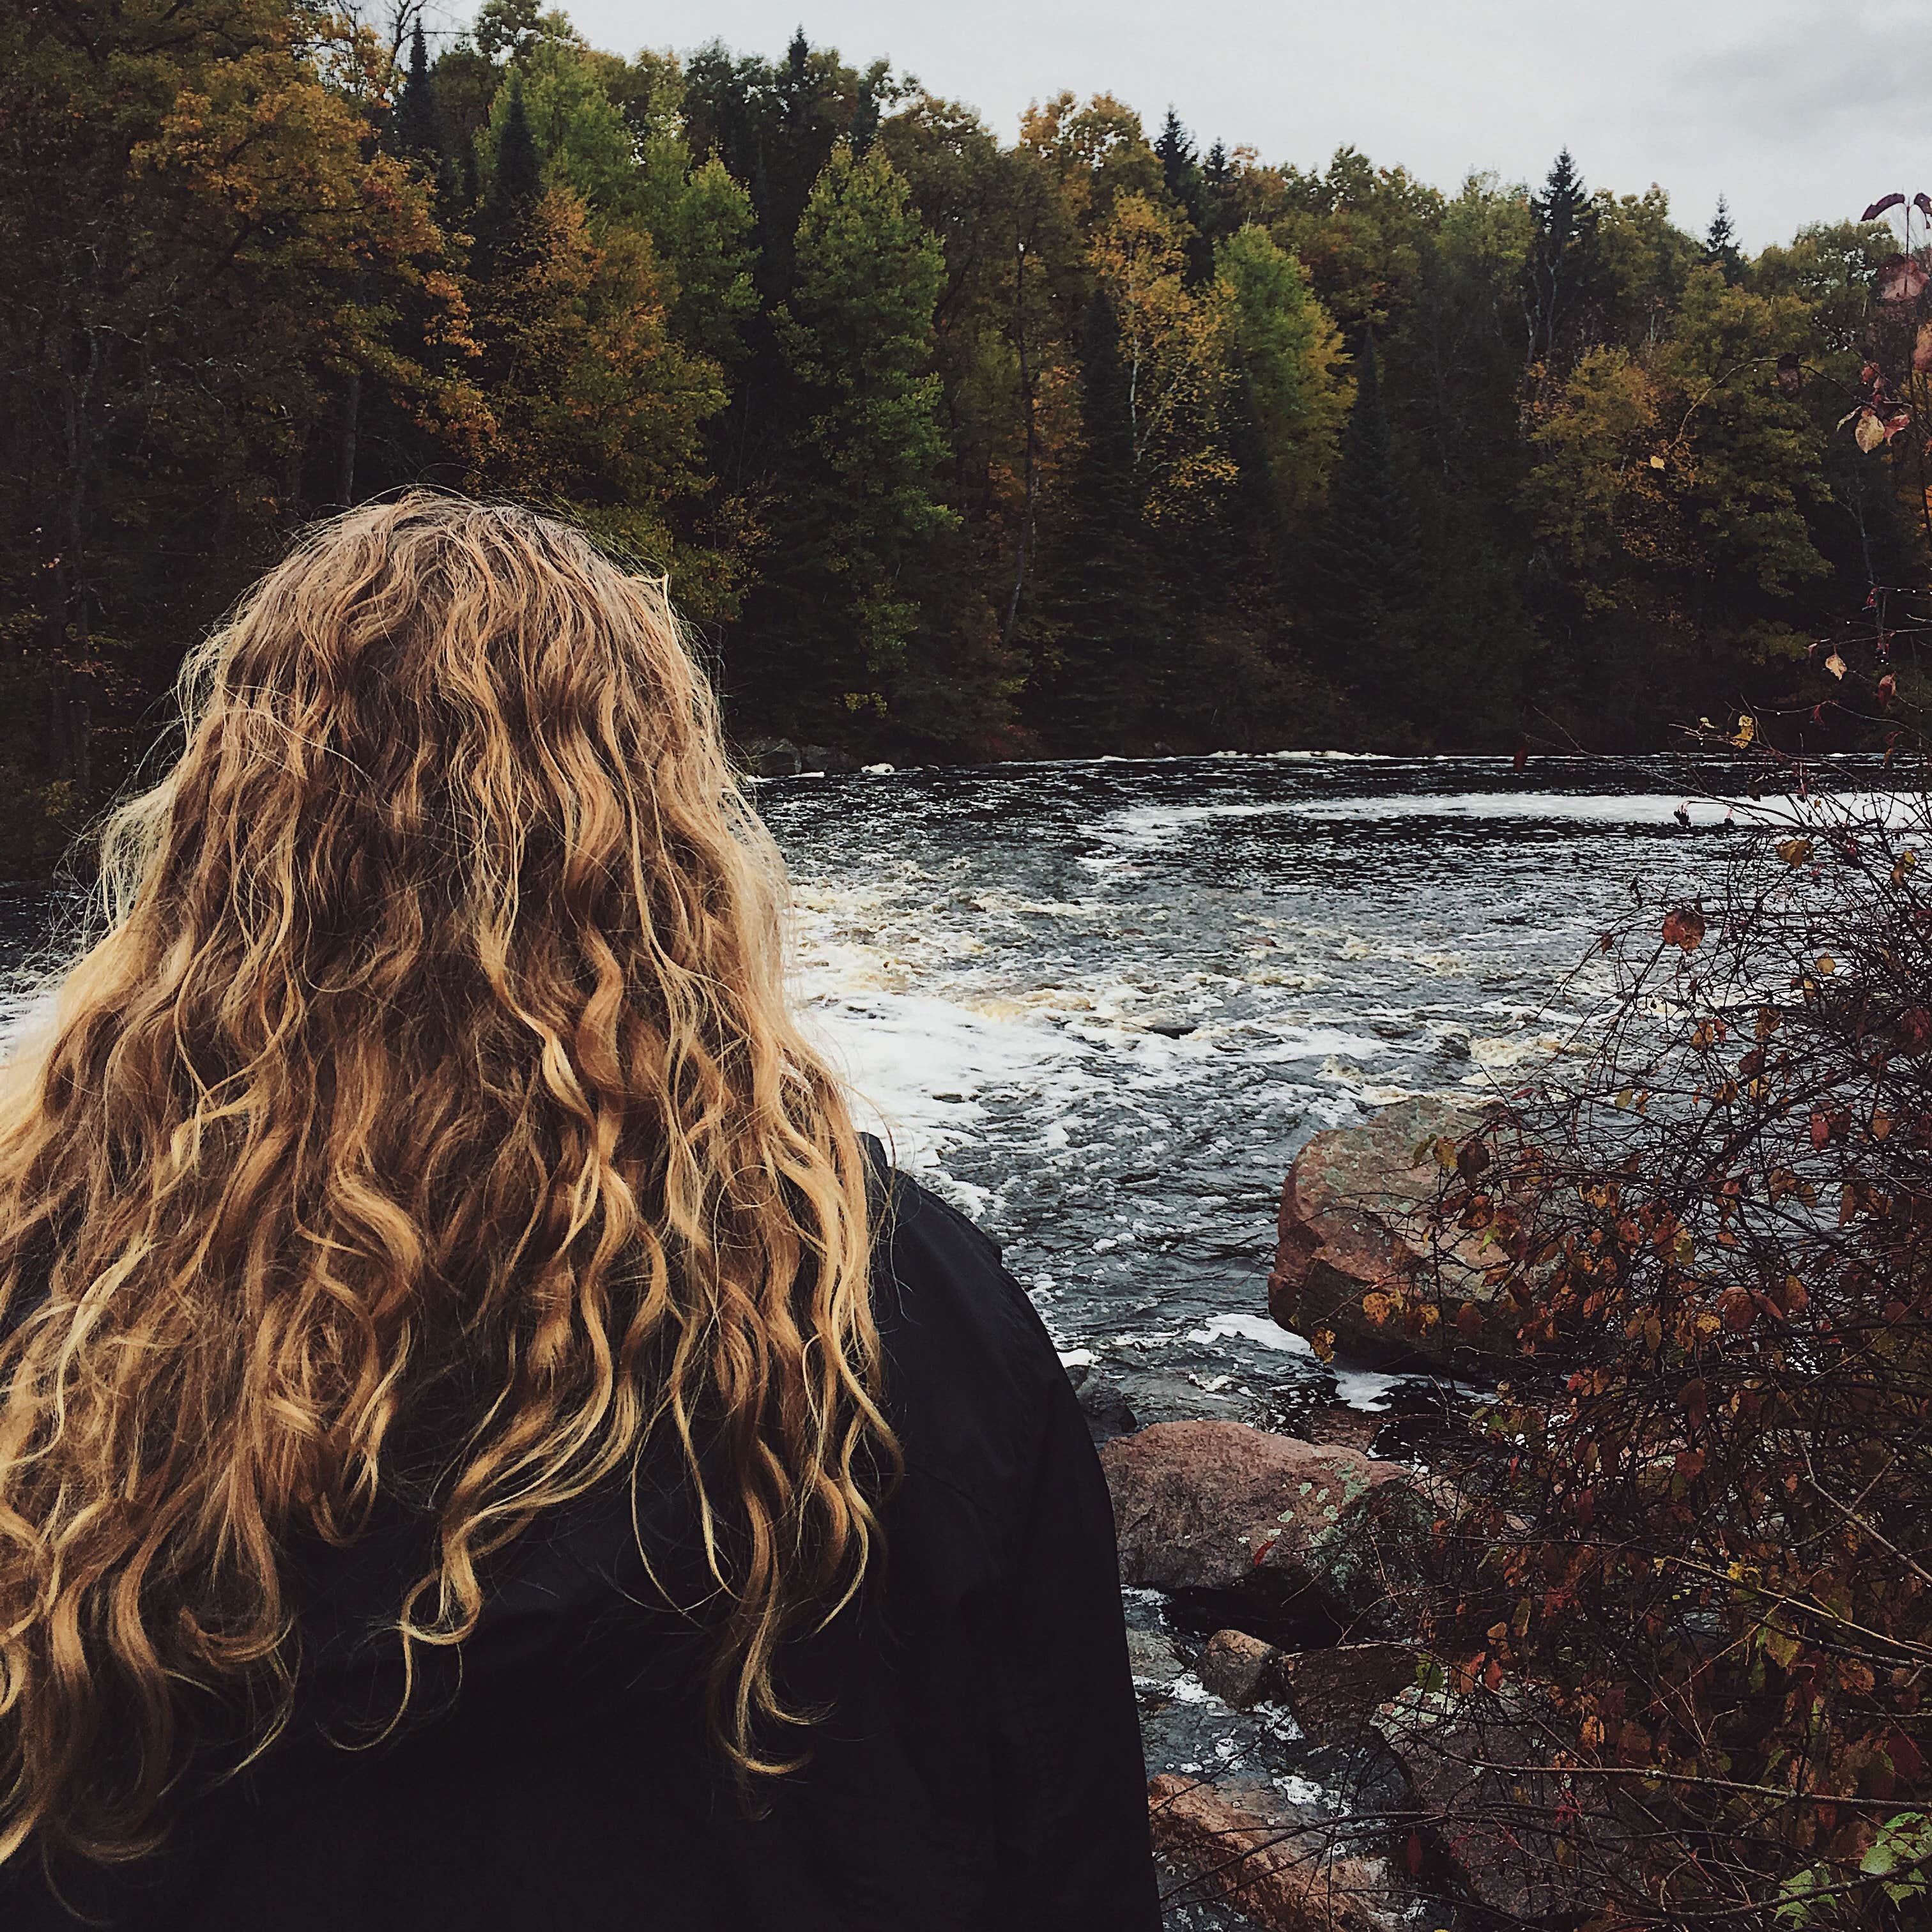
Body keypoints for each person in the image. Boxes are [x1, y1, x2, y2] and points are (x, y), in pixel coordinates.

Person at [0, 495, 1162, 1930]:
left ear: (221, 847)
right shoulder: (902, 1309)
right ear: (671, 849)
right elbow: (1071, 1855)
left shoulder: (44, 1303)